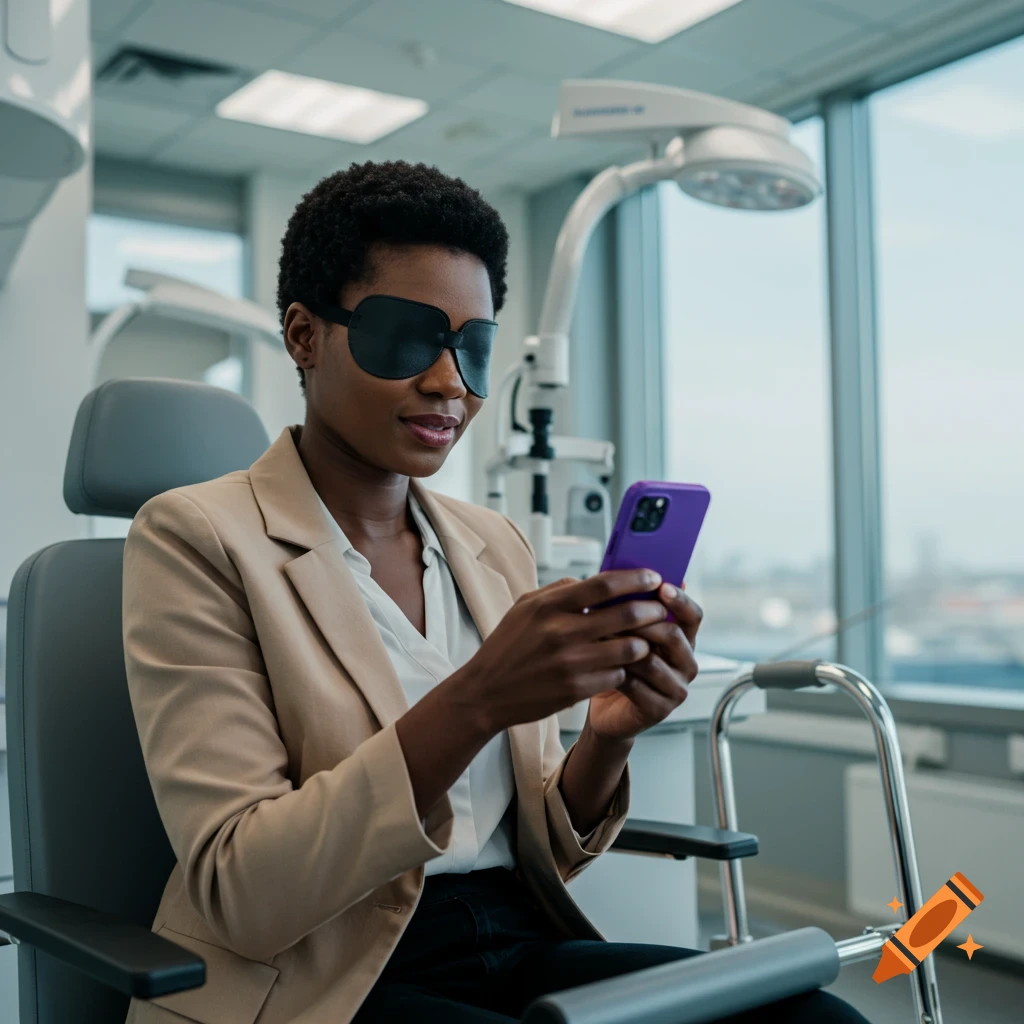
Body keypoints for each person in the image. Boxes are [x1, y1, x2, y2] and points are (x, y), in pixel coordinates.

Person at [121, 161, 871, 1024]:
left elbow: (540, 846)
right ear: (303, 335)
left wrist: (608, 741)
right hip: (321, 974)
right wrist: (475, 701)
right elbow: (239, 893)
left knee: (816, 1019)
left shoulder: (491, 546)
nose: (451, 383)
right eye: (407, 338)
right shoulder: (196, 538)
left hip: (514, 944)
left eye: (473, 348)